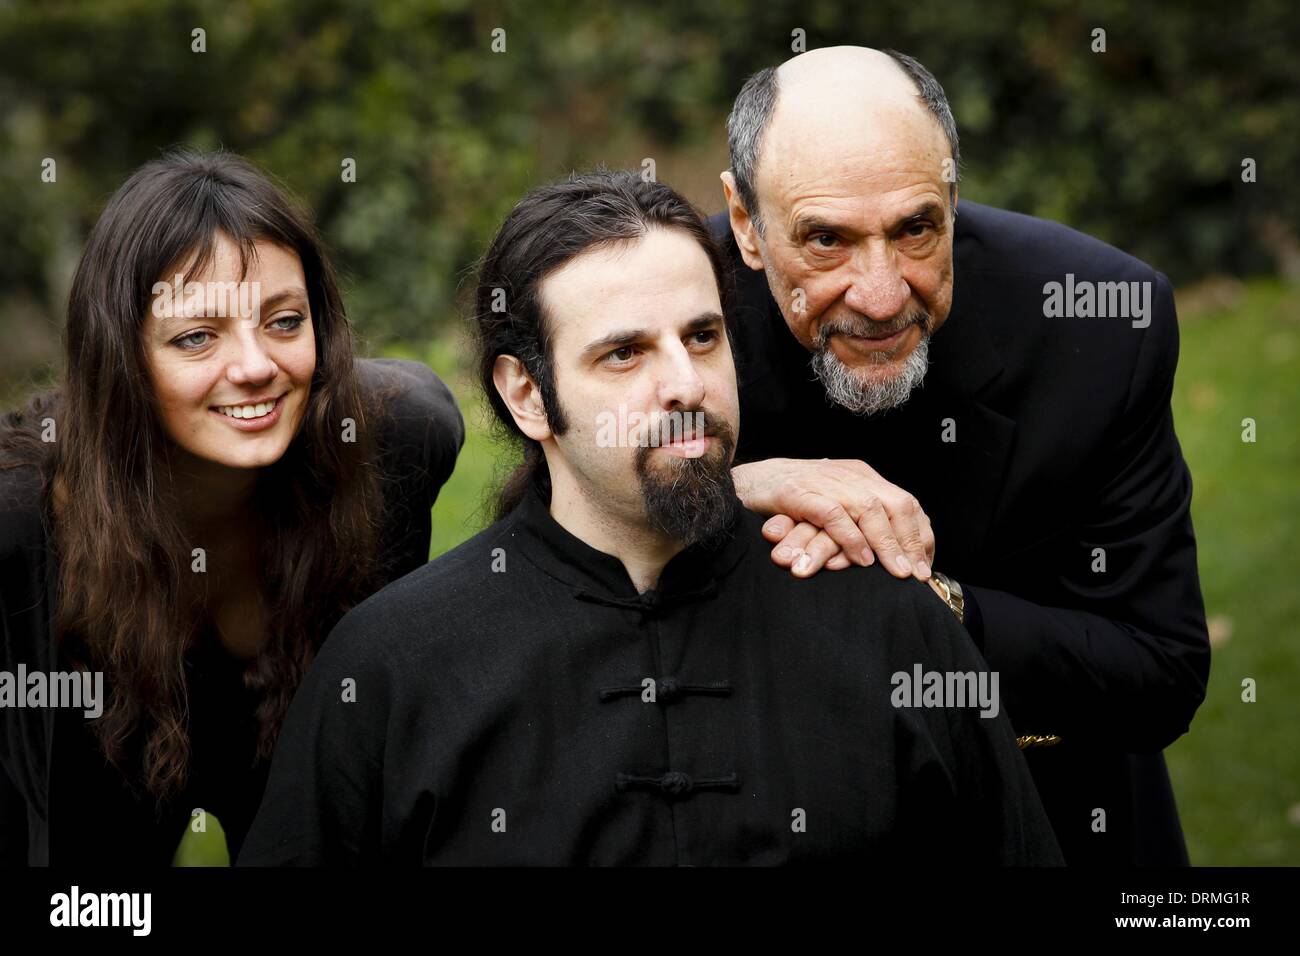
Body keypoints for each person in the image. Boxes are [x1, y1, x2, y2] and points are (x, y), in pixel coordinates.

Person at [238, 170, 1062, 867]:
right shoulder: (392, 672)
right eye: (624, 353)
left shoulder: (887, 626)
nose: (686, 384)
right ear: (527, 394)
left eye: (702, 338)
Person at [710, 46, 1210, 865]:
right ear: (746, 227)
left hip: (1054, 810)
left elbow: (1157, 675)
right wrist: (731, 488)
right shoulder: (673, 318)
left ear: (951, 196)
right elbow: (556, 553)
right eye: (826, 241)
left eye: (916, 229)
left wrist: (933, 608)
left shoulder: (1099, 323)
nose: (879, 295)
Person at [0, 149, 464, 865]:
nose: (253, 367)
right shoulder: (21, 525)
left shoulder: (394, 444)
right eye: (196, 337)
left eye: (284, 321)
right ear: (120, 357)